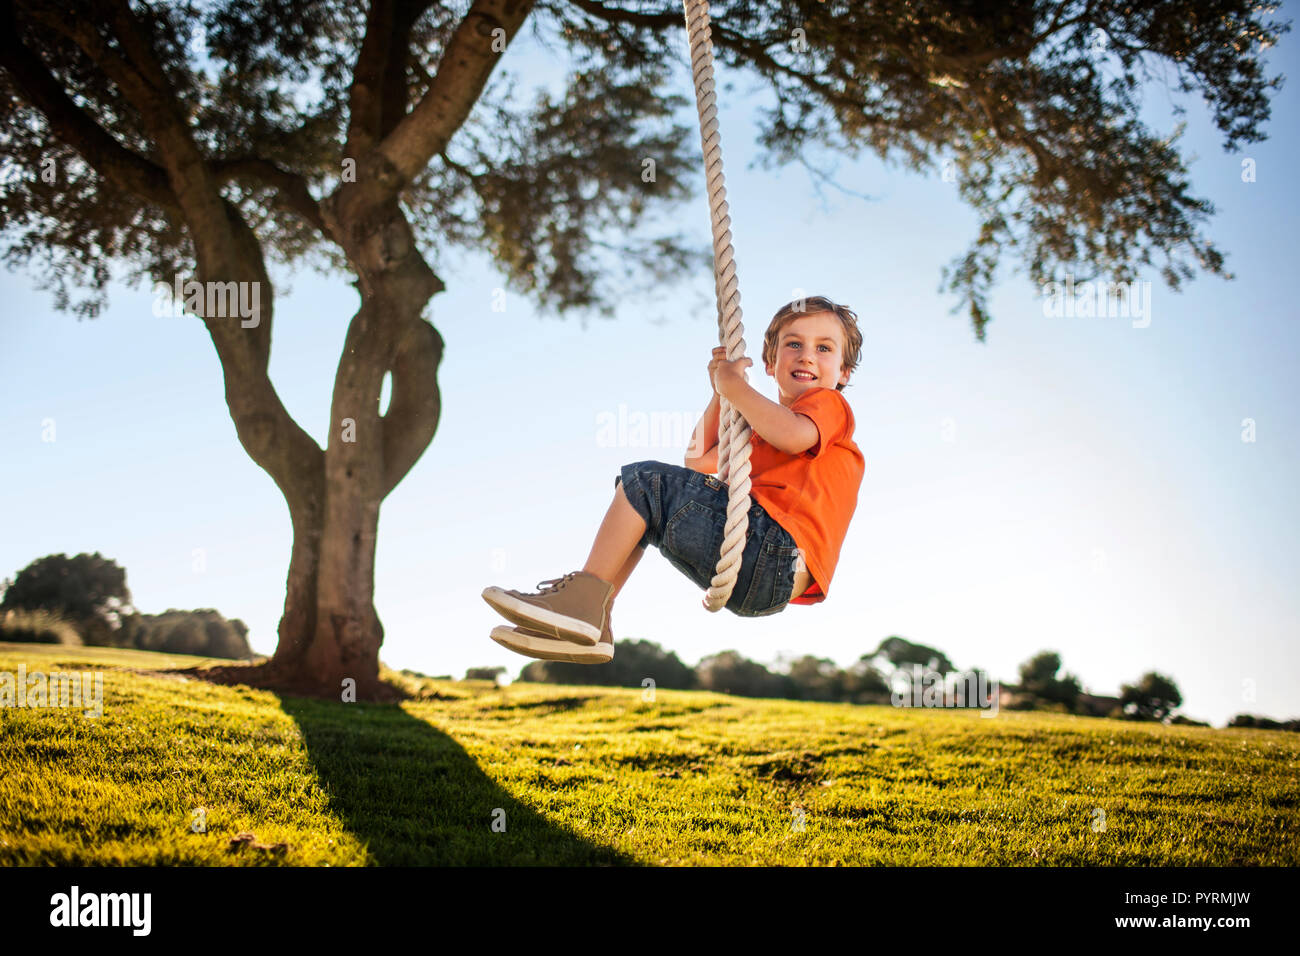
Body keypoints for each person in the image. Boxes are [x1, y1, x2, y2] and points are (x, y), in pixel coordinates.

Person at [482, 295, 866, 664]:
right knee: (645, 512)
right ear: (770, 362)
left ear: (844, 372)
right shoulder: (758, 432)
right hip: (760, 579)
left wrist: (736, 387)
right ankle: (594, 618)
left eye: (824, 349)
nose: (807, 356)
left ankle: (584, 595)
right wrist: (721, 394)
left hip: (772, 553)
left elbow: (795, 435)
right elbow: (698, 458)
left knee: (647, 482)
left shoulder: (827, 406)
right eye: (794, 344)